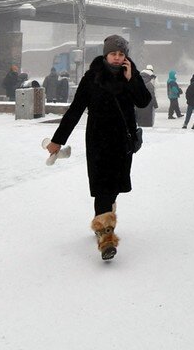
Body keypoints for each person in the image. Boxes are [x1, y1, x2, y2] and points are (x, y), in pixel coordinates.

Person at [45, 35, 151, 261]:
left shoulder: (129, 76)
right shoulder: (92, 78)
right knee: (103, 189)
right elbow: (75, 110)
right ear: (105, 54)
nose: (117, 57)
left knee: (112, 189)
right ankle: (106, 240)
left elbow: (143, 102)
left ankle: (104, 221)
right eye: (113, 53)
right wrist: (58, 140)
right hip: (99, 143)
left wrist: (132, 79)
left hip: (122, 144)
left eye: (121, 54)